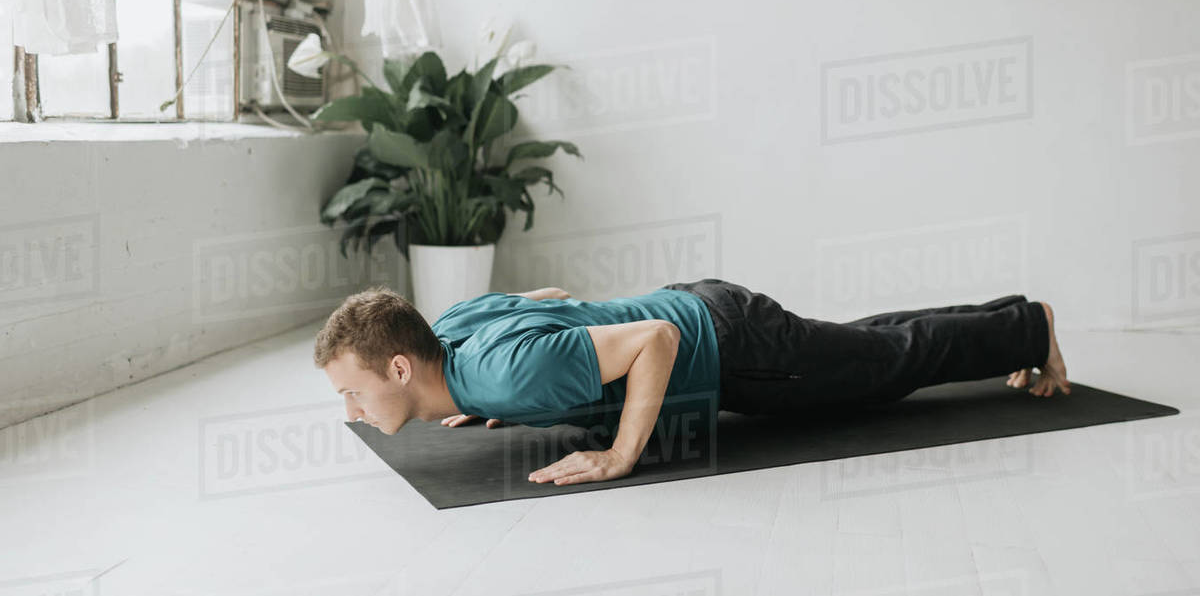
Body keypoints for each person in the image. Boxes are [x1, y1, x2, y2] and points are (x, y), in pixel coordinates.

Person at [314, 278, 1069, 487]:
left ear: (403, 366)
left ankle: (1029, 325)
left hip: (731, 348)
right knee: (871, 347)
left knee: (882, 366)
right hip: (709, 307)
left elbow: (654, 340)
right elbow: (544, 298)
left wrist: (620, 454)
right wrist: (486, 398)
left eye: (353, 388)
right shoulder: (455, 333)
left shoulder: (499, 373)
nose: (349, 405)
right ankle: (1008, 319)